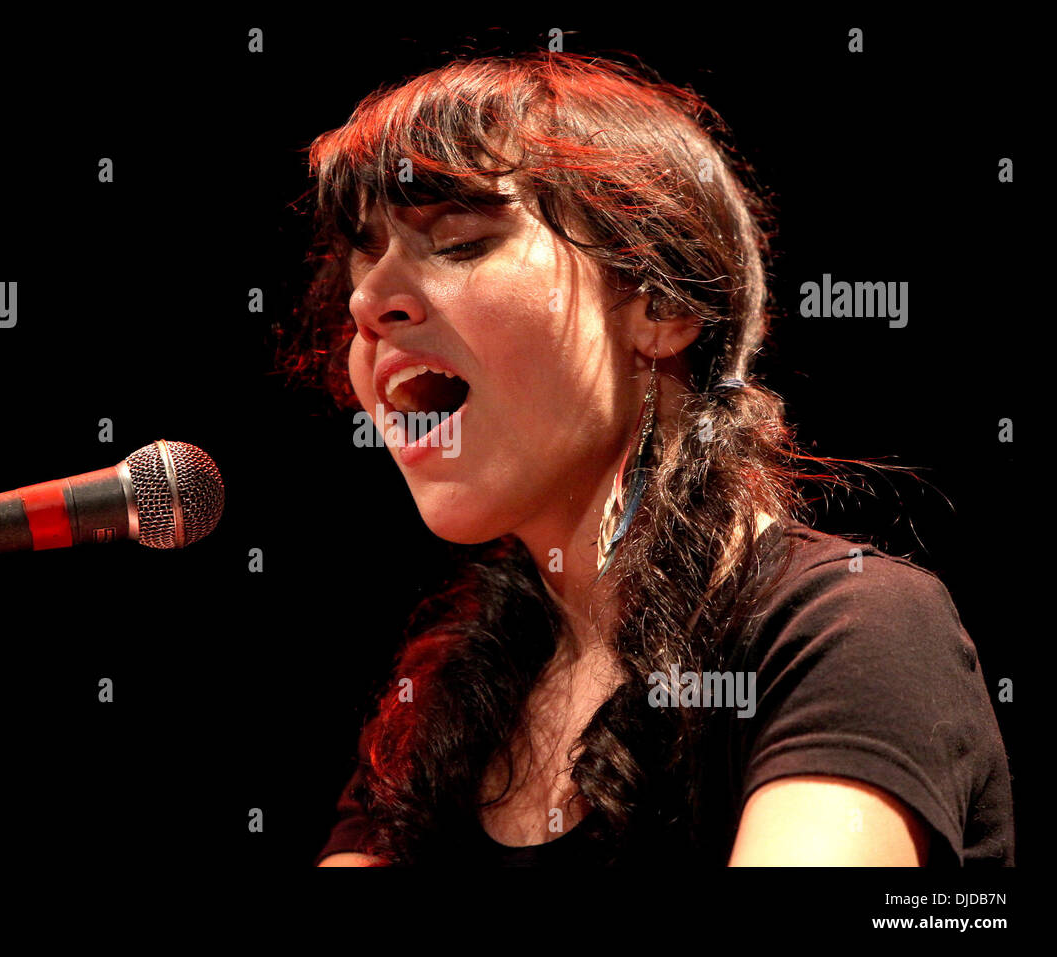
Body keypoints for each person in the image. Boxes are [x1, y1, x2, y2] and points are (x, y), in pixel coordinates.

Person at [282, 50, 1014, 866]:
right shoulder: (437, 711)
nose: (365, 302)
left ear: (660, 305)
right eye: (361, 259)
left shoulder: (850, 631)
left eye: (458, 240)